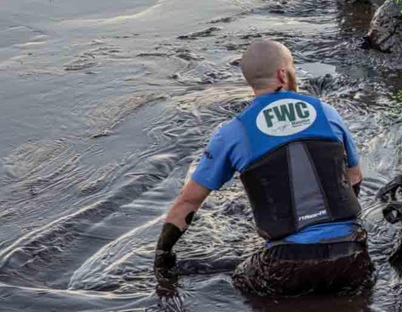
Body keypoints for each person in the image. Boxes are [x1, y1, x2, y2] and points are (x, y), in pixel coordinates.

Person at [153, 40, 372, 297]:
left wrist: (162, 257)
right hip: (353, 259)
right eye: (292, 67)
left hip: (286, 267)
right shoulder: (326, 112)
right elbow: (355, 177)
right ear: (283, 73)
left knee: (233, 275)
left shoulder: (233, 132)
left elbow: (187, 203)